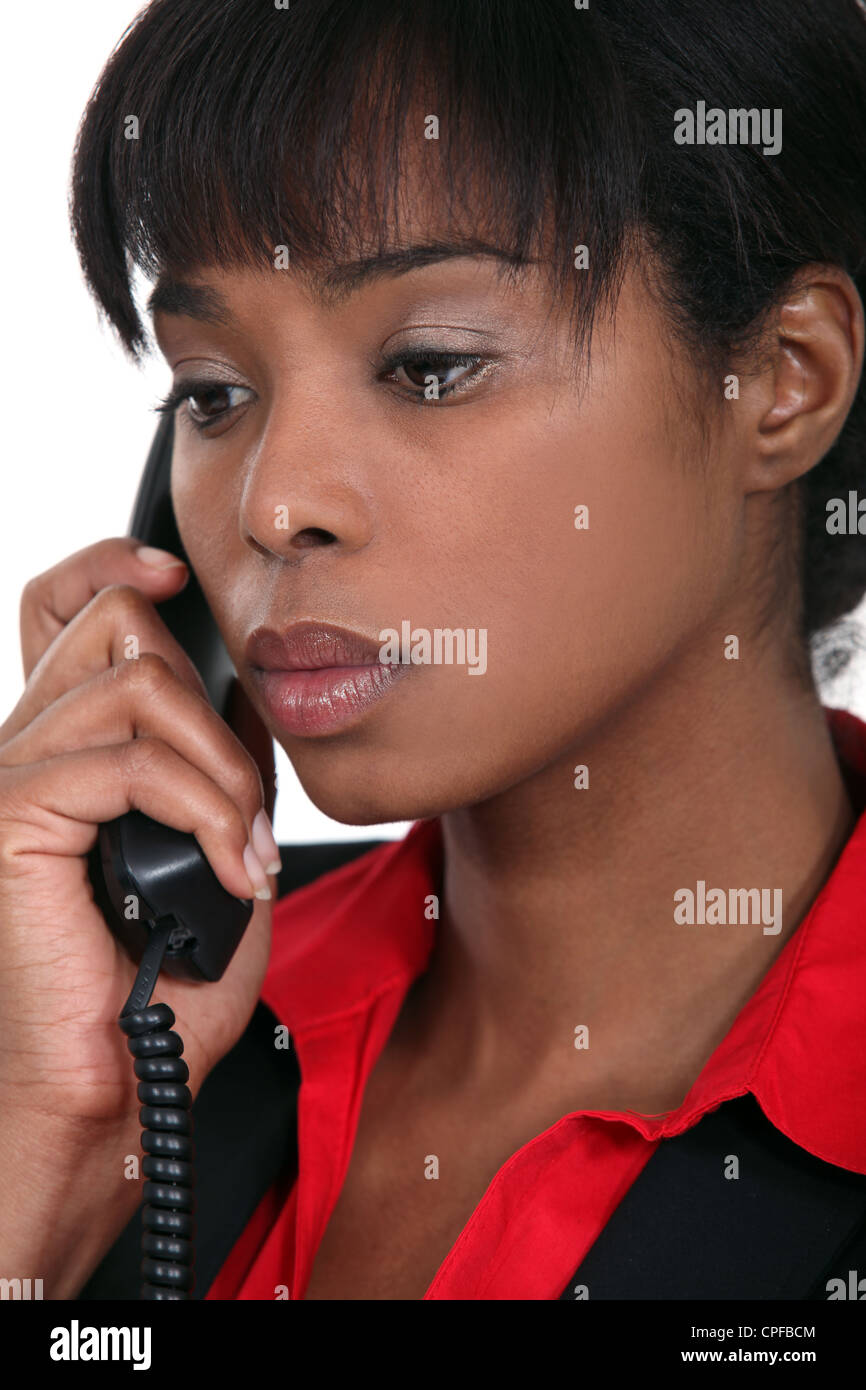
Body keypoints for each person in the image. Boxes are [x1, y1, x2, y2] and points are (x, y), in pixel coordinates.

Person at [1, 0, 865, 1300]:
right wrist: (44, 1155)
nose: (273, 503)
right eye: (212, 393)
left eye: (426, 366)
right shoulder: (152, 1031)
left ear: (782, 377)